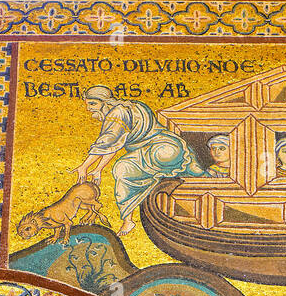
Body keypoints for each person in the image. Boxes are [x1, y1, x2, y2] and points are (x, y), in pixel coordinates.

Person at [73, 85, 205, 237]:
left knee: (122, 169)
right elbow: (115, 145)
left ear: (105, 101)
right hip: (172, 148)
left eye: (92, 104)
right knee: (195, 172)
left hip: (159, 150)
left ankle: (128, 219)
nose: (89, 108)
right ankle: (195, 170)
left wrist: (84, 167)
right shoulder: (128, 107)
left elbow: (107, 142)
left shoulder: (117, 113)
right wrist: (98, 169)